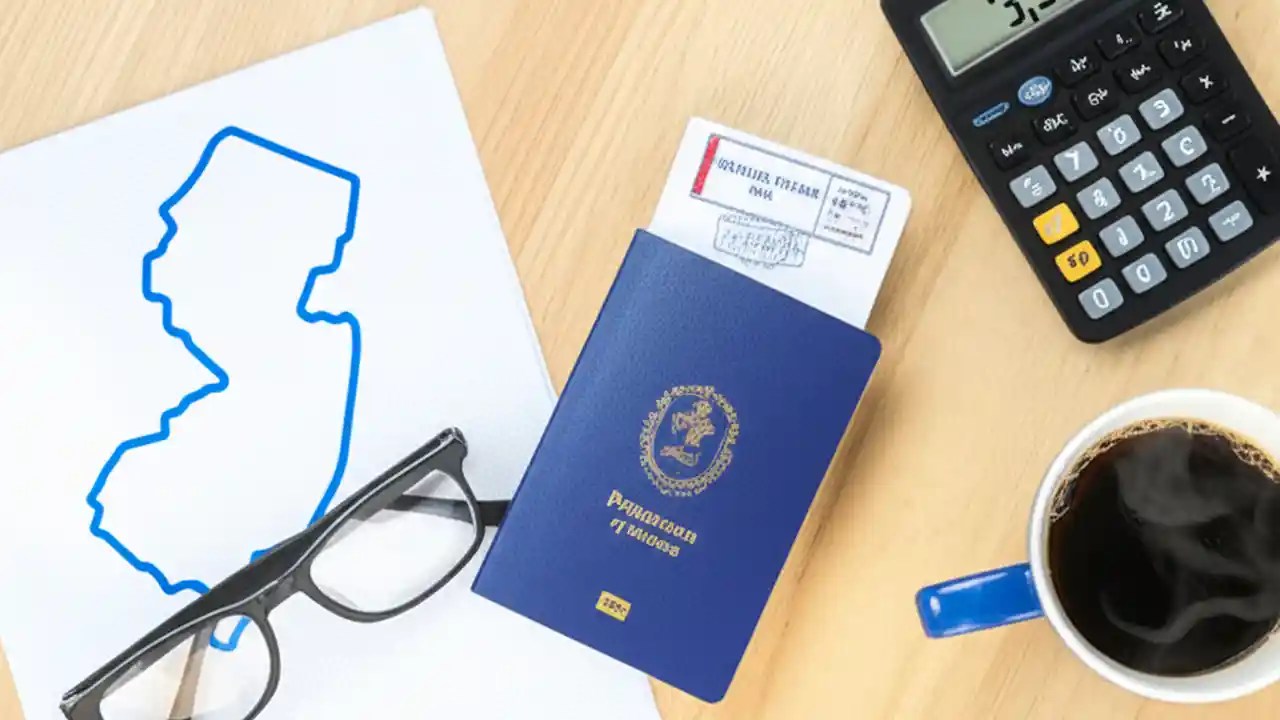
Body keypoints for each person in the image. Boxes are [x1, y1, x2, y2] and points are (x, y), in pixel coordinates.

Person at [88, 128, 362, 616]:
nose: (156, 263)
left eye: (178, 235)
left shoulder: (260, 433)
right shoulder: (273, 396)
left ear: (261, 258)